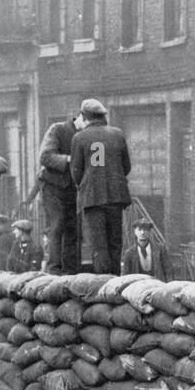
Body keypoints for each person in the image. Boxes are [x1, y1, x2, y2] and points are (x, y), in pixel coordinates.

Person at [69, 97, 132, 275]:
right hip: (116, 196)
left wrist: (89, 183)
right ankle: (114, 282)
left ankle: (103, 285)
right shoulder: (118, 134)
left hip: (92, 198)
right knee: (115, 242)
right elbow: (126, 167)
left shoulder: (79, 138)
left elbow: (76, 172)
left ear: (85, 117)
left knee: (98, 245)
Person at [37, 113, 80, 274]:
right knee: (57, 224)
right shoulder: (57, 129)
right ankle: (53, 269)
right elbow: (45, 157)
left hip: (72, 189)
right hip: (53, 186)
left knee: (72, 229)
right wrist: (69, 159)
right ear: (82, 118)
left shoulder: (85, 135)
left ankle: (70, 271)